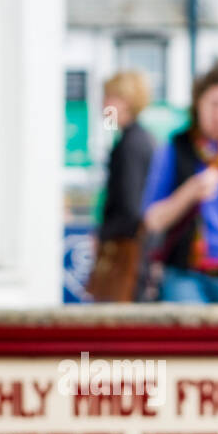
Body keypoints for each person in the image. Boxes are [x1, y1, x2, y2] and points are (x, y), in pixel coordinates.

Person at [141, 62, 218, 304]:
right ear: (198, 104)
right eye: (214, 104)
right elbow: (152, 220)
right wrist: (190, 192)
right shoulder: (175, 149)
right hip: (186, 276)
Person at [87, 71, 156, 302]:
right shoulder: (136, 139)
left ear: (127, 102)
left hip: (125, 250)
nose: (103, 104)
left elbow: (130, 206)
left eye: (110, 98)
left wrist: (103, 235)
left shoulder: (130, 145)